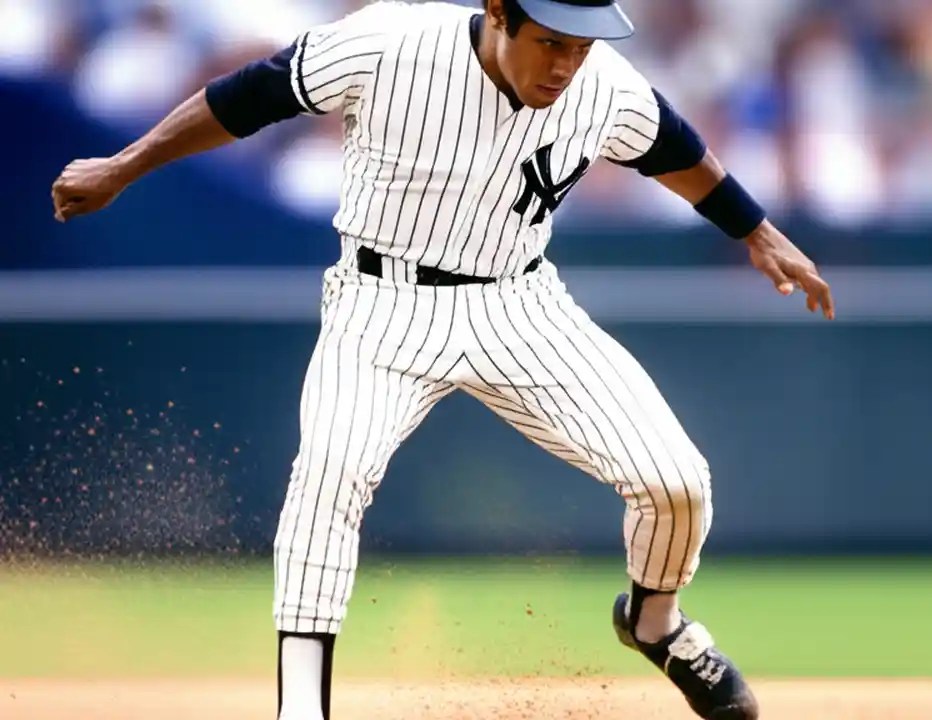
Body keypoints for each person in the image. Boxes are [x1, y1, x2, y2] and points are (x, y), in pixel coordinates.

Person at [50, 1, 835, 717]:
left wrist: (757, 232)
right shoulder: (390, 42)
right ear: (498, 12)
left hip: (520, 306)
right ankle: (300, 708)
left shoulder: (604, 87)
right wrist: (124, 166)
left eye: (584, 46)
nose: (565, 66)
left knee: (677, 482)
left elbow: (674, 147)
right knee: (329, 476)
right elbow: (247, 98)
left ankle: (655, 625)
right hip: (380, 304)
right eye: (551, 42)